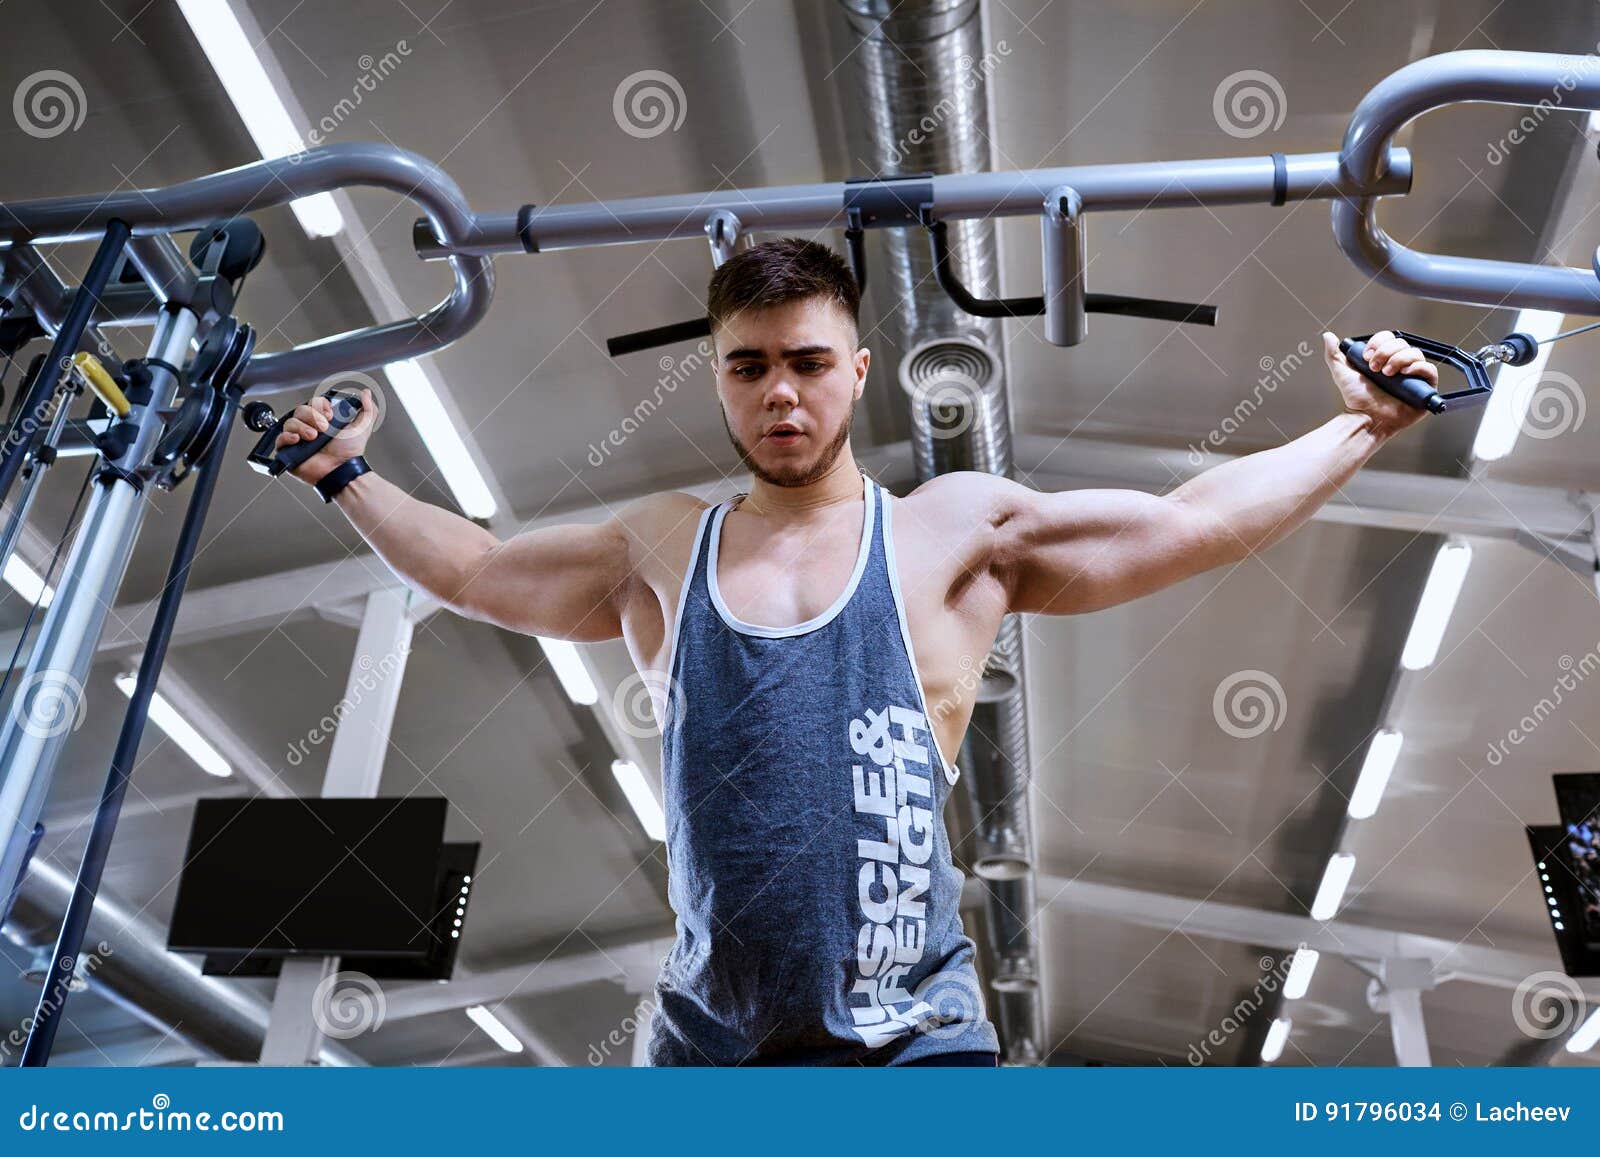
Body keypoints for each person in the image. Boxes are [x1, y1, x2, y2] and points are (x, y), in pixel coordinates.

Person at [276, 237, 1434, 1066]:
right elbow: (477, 571)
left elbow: (1190, 523)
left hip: (915, 1051)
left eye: (809, 362)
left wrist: (1359, 424)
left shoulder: (951, 531)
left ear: (858, 369)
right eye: (749, 366)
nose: (780, 393)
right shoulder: (659, 547)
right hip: (706, 1048)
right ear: (720, 376)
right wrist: (344, 472)